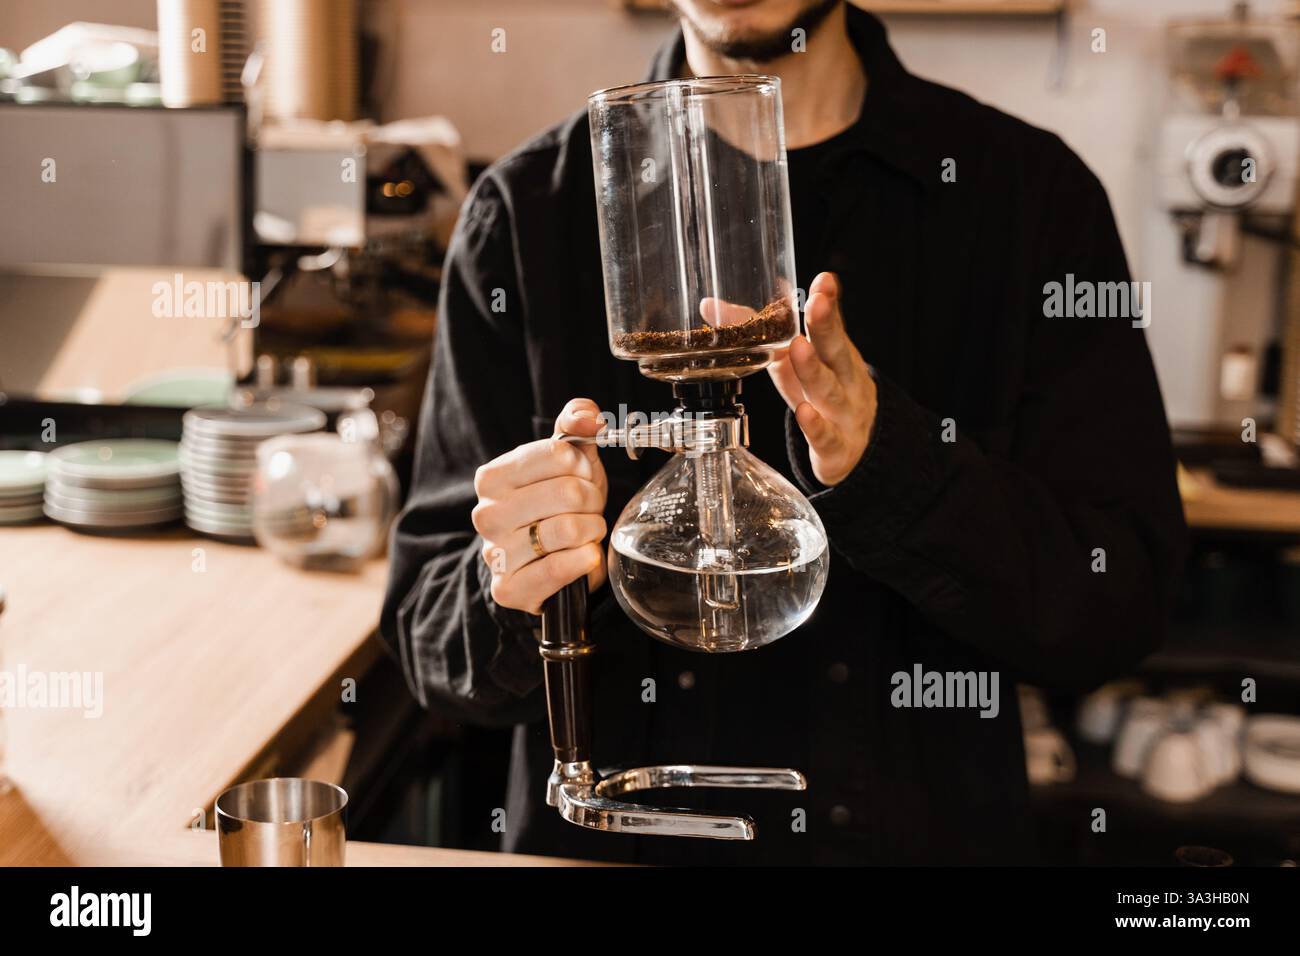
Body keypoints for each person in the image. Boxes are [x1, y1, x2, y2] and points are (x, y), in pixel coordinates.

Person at [381, 0, 1187, 864]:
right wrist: (518, 573)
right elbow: (430, 641)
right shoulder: (525, 213)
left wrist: (896, 464)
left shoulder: (1028, 198)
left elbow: (1122, 601)